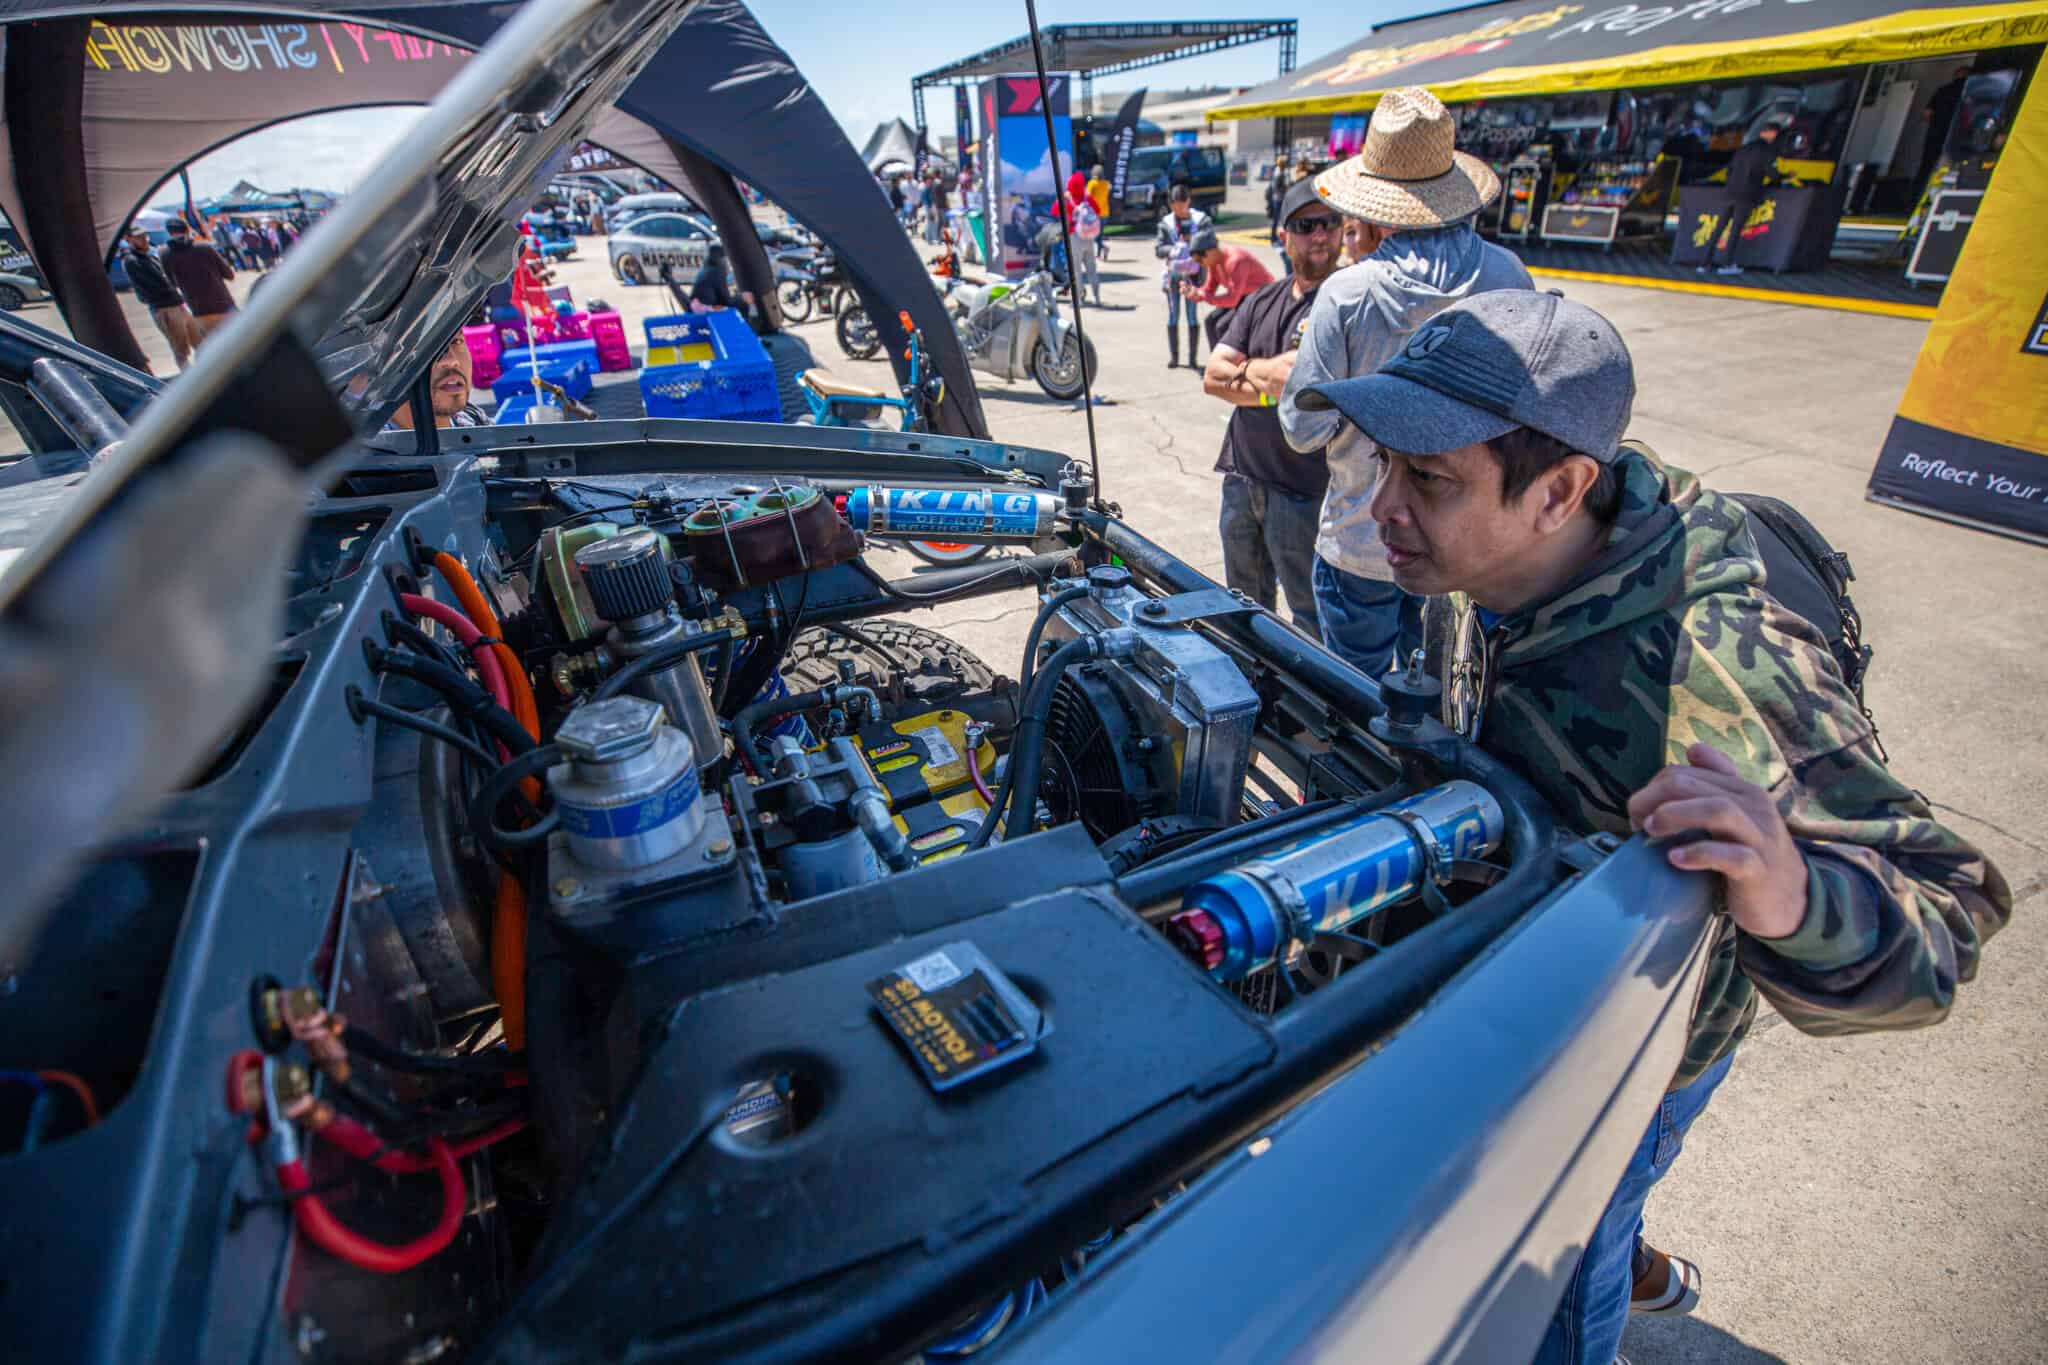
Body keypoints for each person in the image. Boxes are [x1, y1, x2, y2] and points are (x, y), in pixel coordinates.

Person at [1296, 286, 2011, 1365]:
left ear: (1560, 490)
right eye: (1386, 467)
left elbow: (1946, 918)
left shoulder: (1723, 666)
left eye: (1427, 480)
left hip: (1624, 1072)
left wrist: (1791, 887)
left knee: (1553, 1294)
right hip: (1522, 1009)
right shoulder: (1503, 553)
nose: (1380, 507)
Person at [1279, 85, 1530, 676]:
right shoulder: (1509, 277)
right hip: (1469, 545)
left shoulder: (1347, 294)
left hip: (1361, 541)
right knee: (1449, 700)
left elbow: (1301, 426)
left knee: (1357, 703)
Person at [1201, 176, 1344, 635]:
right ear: (1284, 236)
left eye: (1329, 223)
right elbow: (1213, 376)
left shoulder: (1344, 301)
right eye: (1306, 225)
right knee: (1242, 607)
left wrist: (1248, 375)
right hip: (1243, 478)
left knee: (1310, 618)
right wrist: (1268, 383)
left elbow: (1297, 381)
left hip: (1303, 491)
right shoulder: (1264, 298)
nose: (1319, 234)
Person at [1702, 122, 1781, 276]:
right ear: (1772, 133)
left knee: (1719, 228)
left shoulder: (1743, 149)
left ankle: (1705, 263)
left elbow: (1729, 170)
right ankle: (1726, 265)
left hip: (1729, 192)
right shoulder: (1766, 150)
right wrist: (1780, 179)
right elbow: (1773, 174)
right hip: (1746, 195)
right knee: (1735, 230)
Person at [119, 225, 196, 372]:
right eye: (138, 237)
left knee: (198, 339)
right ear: (129, 239)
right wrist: (173, 288)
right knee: (180, 348)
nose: (143, 239)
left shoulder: (154, 252)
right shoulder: (132, 260)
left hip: (179, 302)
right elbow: (152, 285)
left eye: (144, 235)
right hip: (164, 308)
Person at [1184, 226, 1274, 348]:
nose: (1201, 264)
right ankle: (1217, 361)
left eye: (1200, 260)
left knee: (1223, 326)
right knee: (1210, 321)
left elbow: (1232, 300)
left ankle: (1232, 361)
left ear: (1211, 251)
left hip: (1265, 297)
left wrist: (1203, 295)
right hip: (1244, 297)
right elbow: (1208, 290)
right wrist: (1194, 293)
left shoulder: (1236, 261)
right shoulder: (1214, 264)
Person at [1154, 184, 1212, 369]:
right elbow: (1159, 248)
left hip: (1194, 276)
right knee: (1173, 315)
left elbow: (1211, 242)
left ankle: (1193, 359)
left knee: (1192, 316)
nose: (1178, 209)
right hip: (1173, 276)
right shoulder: (1166, 223)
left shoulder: (1200, 220)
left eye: (1182, 204)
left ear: (1189, 201)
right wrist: (1174, 249)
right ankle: (1175, 358)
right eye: (1174, 205)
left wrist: (1193, 245)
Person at [159, 218, 238, 343]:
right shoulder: (204, 247)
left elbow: (172, 283)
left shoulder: (165, 254)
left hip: (199, 310)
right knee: (240, 342)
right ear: (187, 230)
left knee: (217, 347)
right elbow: (229, 275)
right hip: (223, 304)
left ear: (169, 233)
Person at [389, 333, 487, 431]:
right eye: (425, 345)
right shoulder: (377, 443)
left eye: (456, 341)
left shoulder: (477, 423)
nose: (451, 361)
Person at [1916, 65, 1972, 196]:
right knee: (1949, 170)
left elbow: (1927, 113)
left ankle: (1916, 199)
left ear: (1955, 76)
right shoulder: (1970, 92)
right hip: (1956, 138)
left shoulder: (1942, 90)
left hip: (1935, 134)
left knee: (1926, 166)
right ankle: (1938, 197)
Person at [686, 244, 759, 323]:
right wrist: (741, 297)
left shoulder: (706, 269)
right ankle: (750, 327)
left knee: (741, 297)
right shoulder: (717, 272)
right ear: (722, 258)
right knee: (747, 297)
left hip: (696, 306)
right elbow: (725, 301)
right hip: (706, 308)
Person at [1070, 185, 1103, 306]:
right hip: (1089, 238)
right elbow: (1098, 211)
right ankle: (1096, 296)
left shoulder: (1068, 198)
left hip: (1075, 237)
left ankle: (1079, 298)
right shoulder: (1088, 198)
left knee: (1076, 270)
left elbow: (1055, 212)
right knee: (1092, 269)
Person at [1085, 163, 1111, 261]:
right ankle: (1099, 254)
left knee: (1092, 235)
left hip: (1094, 213)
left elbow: (1087, 197)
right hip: (1104, 212)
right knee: (1099, 234)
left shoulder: (1092, 183)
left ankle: (1103, 248)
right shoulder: (1106, 184)